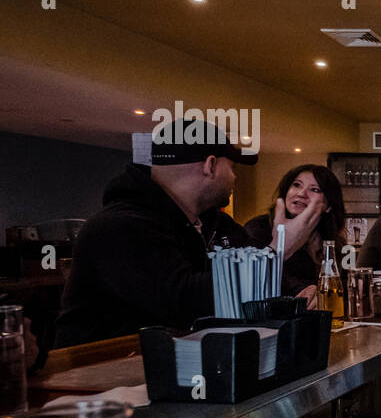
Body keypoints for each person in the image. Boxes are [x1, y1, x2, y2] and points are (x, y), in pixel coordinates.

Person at [54, 119, 322, 347]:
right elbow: (186, 304)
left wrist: (297, 293)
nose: (234, 178)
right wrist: (278, 250)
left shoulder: (215, 225)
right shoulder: (120, 227)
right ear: (210, 165)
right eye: (233, 168)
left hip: (176, 375)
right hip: (101, 387)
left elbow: (250, 281)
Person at [243, 163, 345, 298]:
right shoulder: (259, 228)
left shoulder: (334, 243)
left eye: (314, 189)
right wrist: (304, 289)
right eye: (297, 185)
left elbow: (343, 288)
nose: (301, 193)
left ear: (328, 206)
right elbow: (254, 274)